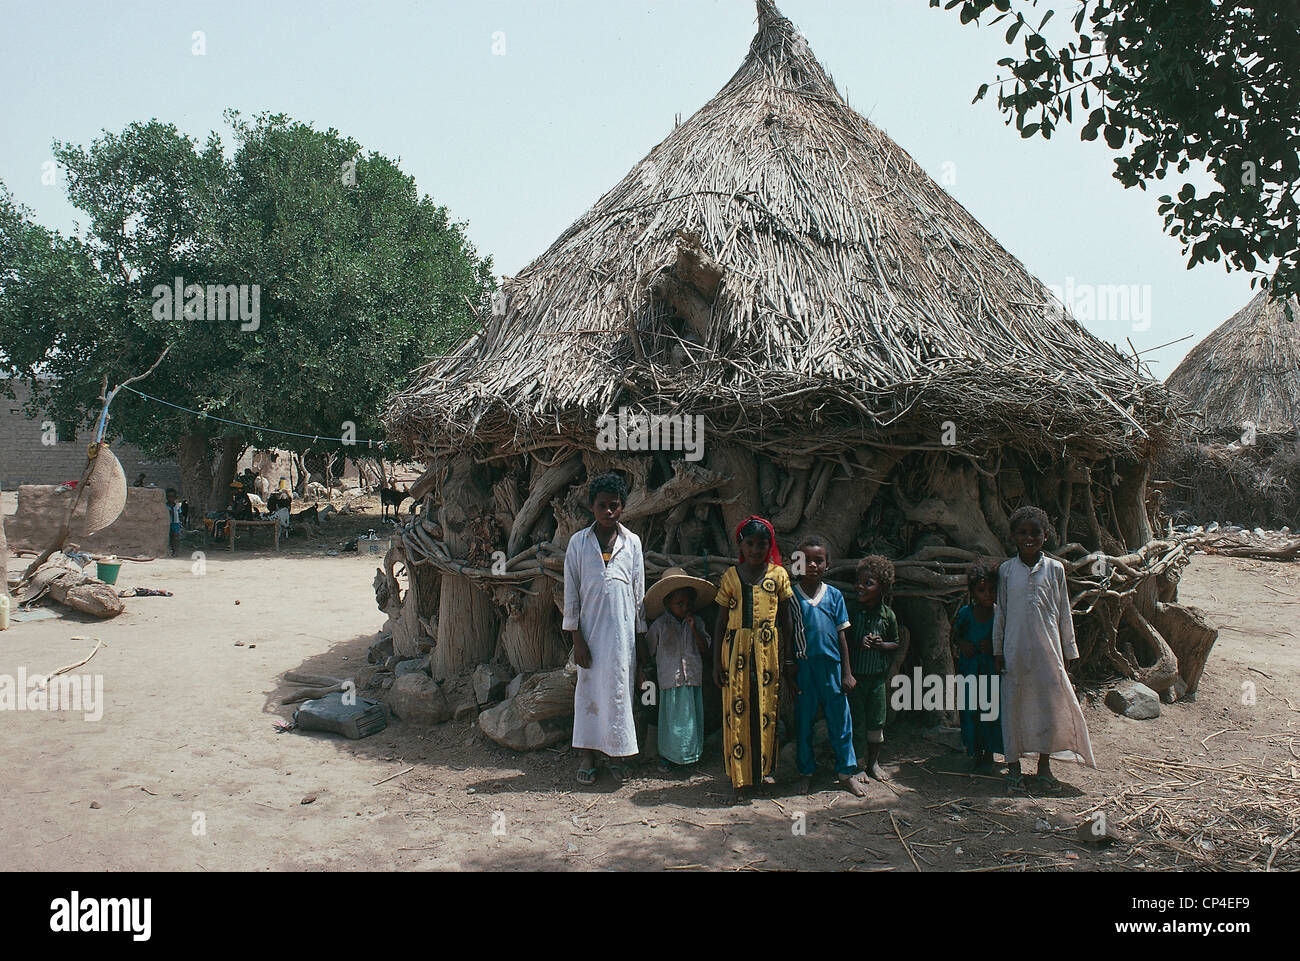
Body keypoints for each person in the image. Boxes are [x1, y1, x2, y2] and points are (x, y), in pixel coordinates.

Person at [994, 505, 1096, 793]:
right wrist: (997, 650)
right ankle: (1013, 767)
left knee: (1048, 707)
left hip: (1048, 652)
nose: (1029, 538)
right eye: (1022, 533)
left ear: (1046, 535)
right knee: (1014, 705)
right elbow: (1000, 612)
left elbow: (1064, 611)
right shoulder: (1006, 571)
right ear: (1013, 536)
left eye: (1035, 532)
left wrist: (1069, 651)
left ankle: (1044, 767)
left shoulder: (1055, 570)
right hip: (1014, 651)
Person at [563, 472, 646, 786]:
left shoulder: (632, 543)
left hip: (624, 636)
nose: (609, 511)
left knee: (619, 693)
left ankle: (617, 753)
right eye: (602, 506)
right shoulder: (578, 543)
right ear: (591, 508)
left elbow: (638, 593)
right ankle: (587, 753)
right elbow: (571, 592)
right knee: (589, 692)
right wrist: (577, 638)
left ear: (622, 507)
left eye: (615, 505)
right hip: (591, 635)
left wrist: (640, 636)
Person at [713, 516, 795, 803]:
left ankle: (761, 773)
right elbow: (720, 623)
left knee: (765, 709)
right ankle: (739, 778)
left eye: (762, 544)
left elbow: (787, 621)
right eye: (750, 544)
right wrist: (715, 664)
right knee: (737, 711)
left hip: (768, 653)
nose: (756, 550)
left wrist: (790, 660)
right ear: (741, 545)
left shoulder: (779, 576)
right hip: (735, 653)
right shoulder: (731, 577)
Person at [790, 535, 867, 796]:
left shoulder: (834, 596)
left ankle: (847, 772)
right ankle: (805, 772)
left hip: (832, 668)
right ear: (796, 564)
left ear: (828, 564)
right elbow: (787, 635)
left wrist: (847, 672)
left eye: (818, 560)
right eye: (806, 560)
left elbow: (842, 636)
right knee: (803, 722)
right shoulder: (790, 597)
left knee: (841, 721)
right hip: (804, 669)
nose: (812, 565)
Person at [643, 567, 715, 771]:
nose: (684, 607)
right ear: (667, 603)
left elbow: (705, 649)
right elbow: (648, 649)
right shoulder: (660, 625)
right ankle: (669, 756)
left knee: (691, 719)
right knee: (671, 721)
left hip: (691, 679)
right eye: (679, 604)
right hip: (670, 681)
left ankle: (691, 754)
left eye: (687, 603)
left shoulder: (697, 622)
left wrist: (693, 628)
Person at [845, 554, 900, 780]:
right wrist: (859, 643)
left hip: (877, 679)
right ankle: (858, 764)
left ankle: (874, 763)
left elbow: (895, 642)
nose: (860, 586)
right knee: (857, 721)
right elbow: (843, 641)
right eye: (859, 581)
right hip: (856, 678)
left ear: (882, 588)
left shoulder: (887, 615)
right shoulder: (851, 612)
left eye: (868, 583)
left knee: (876, 721)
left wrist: (881, 644)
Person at [954, 560, 1004, 772]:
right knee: (970, 711)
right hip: (970, 670)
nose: (987, 594)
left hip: (991, 671)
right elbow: (955, 636)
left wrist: (993, 646)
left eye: (992, 590)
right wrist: (964, 644)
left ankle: (989, 754)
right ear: (973, 592)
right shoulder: (966, 613)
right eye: (982, 590)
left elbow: (1006, 640)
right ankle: (974, 751)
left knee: (990, 712)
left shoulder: (1000, 615)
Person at [165, 488, 182, 557]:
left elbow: (180, 514)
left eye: (172, 496)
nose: (171, 498)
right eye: (169, 496)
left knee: (176, 536)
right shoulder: (165, 506)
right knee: (169, 536)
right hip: (168, 523)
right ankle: (170, 550)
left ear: (175, 497)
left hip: (176, 523)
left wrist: (181, 522)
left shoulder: (177, 506)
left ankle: (176, 551)